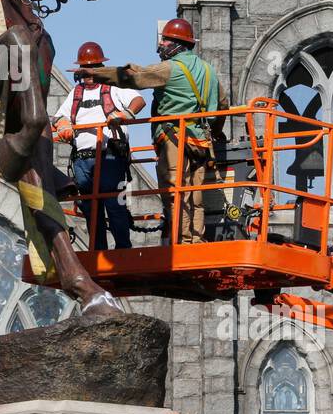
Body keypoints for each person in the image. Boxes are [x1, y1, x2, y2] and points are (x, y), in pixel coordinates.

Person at [91, 19, 229, 244]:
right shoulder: (208, 70)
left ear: (177, 44)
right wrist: (215, 131)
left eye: (165, 40)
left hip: (175, 139)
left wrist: (95, 74)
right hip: (201, 142)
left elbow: (134, 76)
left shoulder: (170, 68)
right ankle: (196, 239)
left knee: (175, 192)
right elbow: (222, 105)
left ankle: (181, 242)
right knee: (195, 194)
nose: (161, 44)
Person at [51, 42, 146, 250]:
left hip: (110, 157)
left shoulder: (114, 87)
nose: (89, 75)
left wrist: (124, 115)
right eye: (86, 70)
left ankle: (123, 249)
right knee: (90, 208)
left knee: (115, 205)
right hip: (83, 160)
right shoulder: (76, 93)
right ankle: (98, 250)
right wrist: (62, 124)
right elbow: (59, 116)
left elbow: (138, 101)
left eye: (93, 68)